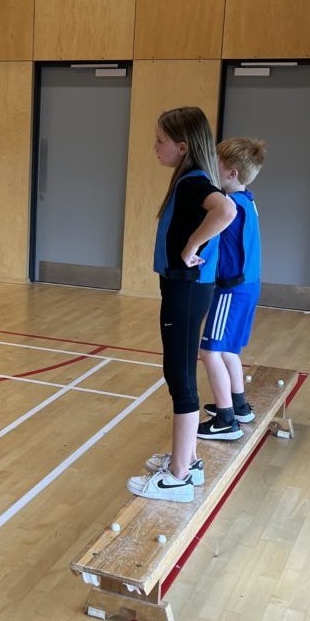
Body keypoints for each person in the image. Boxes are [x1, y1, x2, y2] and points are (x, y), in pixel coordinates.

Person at [127, 106, 236, 502]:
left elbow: (226, 210)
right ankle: (187, 457)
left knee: (179, 377)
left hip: (186, 289)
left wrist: (192, 245)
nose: (154, 147)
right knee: (179, 372)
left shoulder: (194, 183)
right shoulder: (192, 180)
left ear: (183, 146)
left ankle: (179, 476)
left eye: (160, 141)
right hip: (185, 289)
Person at [198, 137, 267, 440]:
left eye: (218, 164)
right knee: (228, 350)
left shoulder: (229, 206)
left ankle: (226, 419)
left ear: (232, 172)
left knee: (210, 350)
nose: (213, 168)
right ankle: (239, 405)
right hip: (248, 286)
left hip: (232, 289)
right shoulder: (248, 199)